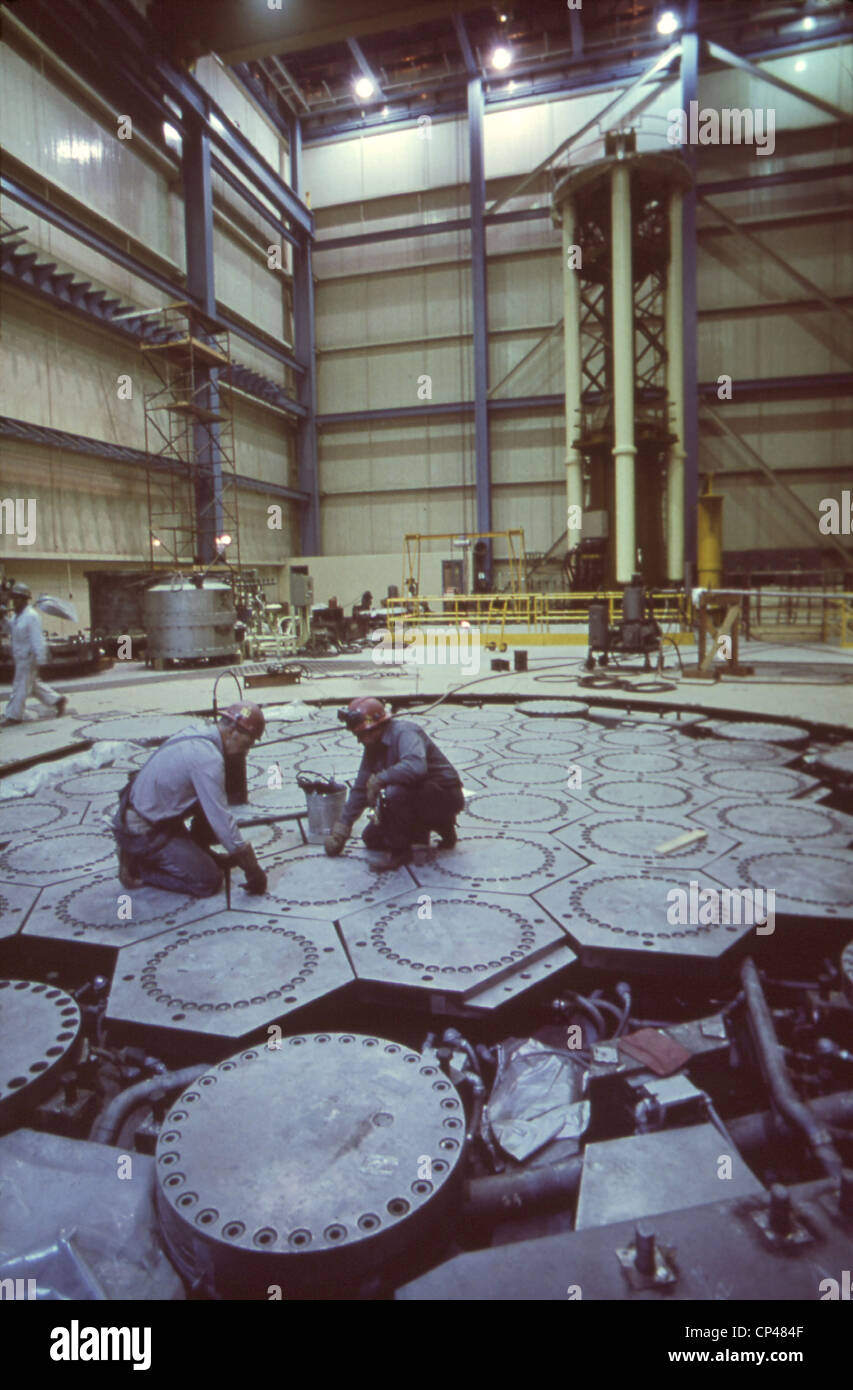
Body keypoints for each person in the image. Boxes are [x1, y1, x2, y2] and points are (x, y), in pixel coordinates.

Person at [111, 702, 268, 897]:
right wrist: (252, 869)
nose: (246, 751)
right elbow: (221, 819)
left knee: (212, 793)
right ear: (233, 731)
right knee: (208, 881)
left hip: (151, 811)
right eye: (247, 743)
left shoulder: (202, 732)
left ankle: (197, 852)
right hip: (144, 829)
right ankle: (139, 868)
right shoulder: (208, 758)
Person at [324, 697, 464, 870]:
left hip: (444, 795)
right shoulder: (373, 745)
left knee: (395, 792)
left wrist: (381, 778)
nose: (359, 740)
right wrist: (341, 830)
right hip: (417, 796)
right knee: (371, 838)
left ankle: (403, 851)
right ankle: (426, 829)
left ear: (375, 727)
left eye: (360, 735)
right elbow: (361, 788)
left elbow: (416, 766)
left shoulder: (405, 732)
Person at [1, 583, 67, 725]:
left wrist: (41, 659)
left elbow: (38, 639)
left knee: (20, 686)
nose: (14, 602)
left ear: (25, 600)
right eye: (14, 599)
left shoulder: (32, 616)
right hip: (20, 657)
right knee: (33, 685)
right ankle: (57, 700)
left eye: (18, 599)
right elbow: (8, 629)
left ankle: (13, 716)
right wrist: (2, 618)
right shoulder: (16, 617)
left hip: (29, 658)